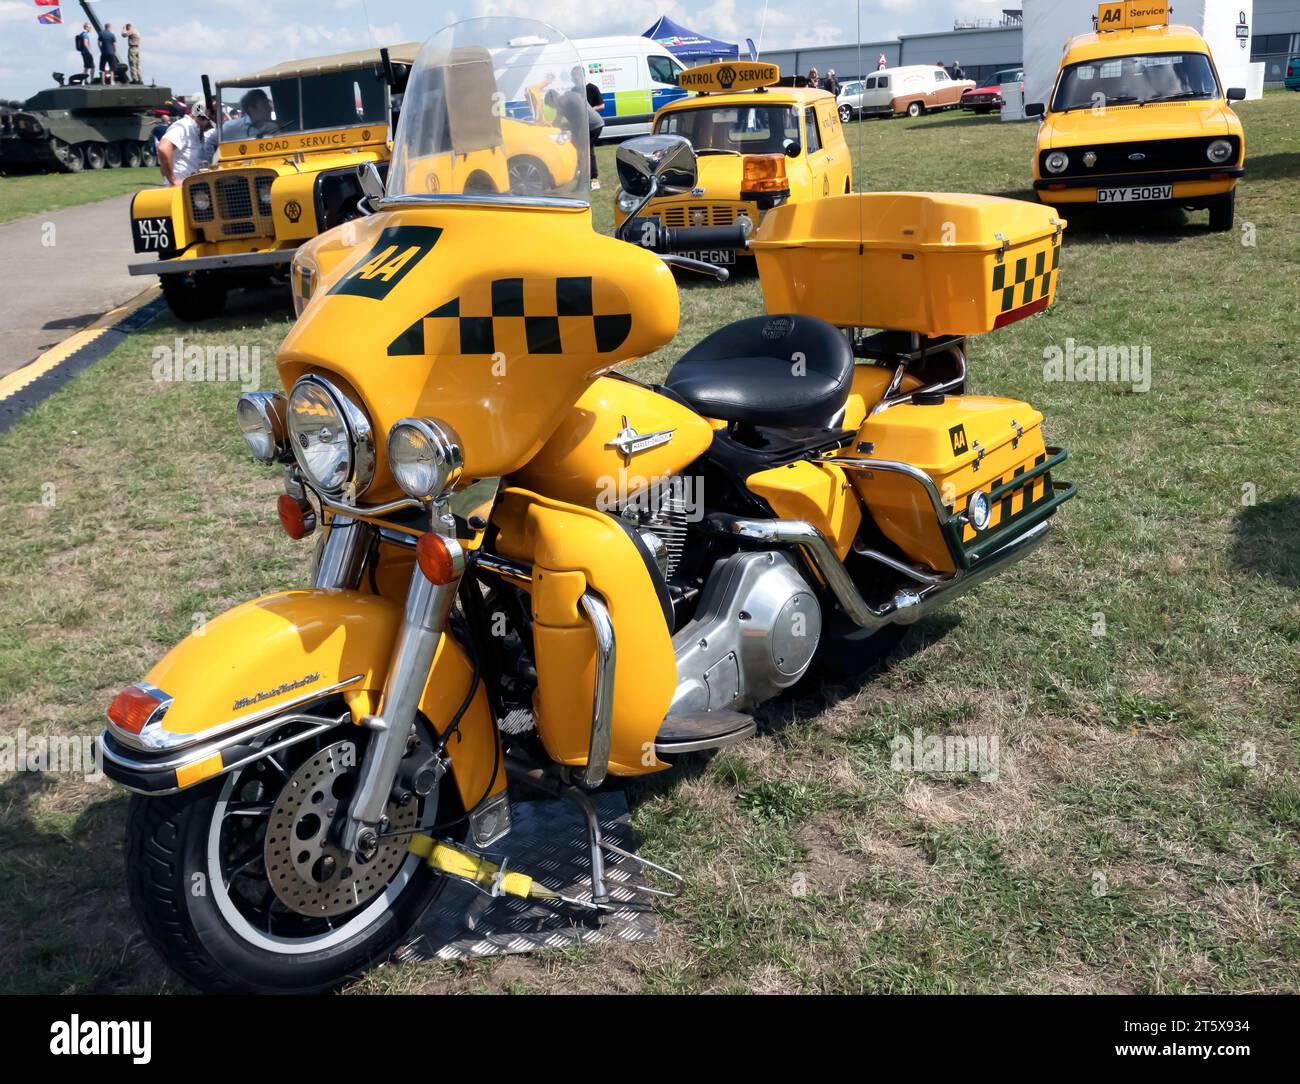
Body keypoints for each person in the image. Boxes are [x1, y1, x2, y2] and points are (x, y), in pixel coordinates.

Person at [158, 107, 216, 186]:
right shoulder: (184, 126)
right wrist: (172, 179)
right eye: (210, 122)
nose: (210, 126)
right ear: (202, 117)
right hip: (180, 188)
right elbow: (163, 148)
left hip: (192, 187)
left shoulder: (198, 131)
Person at [571, 65, 604, 190]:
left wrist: (588, 110)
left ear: (581, 76)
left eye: (575, 77)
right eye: (572, 77)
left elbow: (601, 105)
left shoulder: (592, 88)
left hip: (591, 124)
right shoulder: (574, 90)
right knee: (582, 150)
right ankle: (582, 174)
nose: (573, 80)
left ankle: (593, 178)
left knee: (588, 150)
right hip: (581, 125)